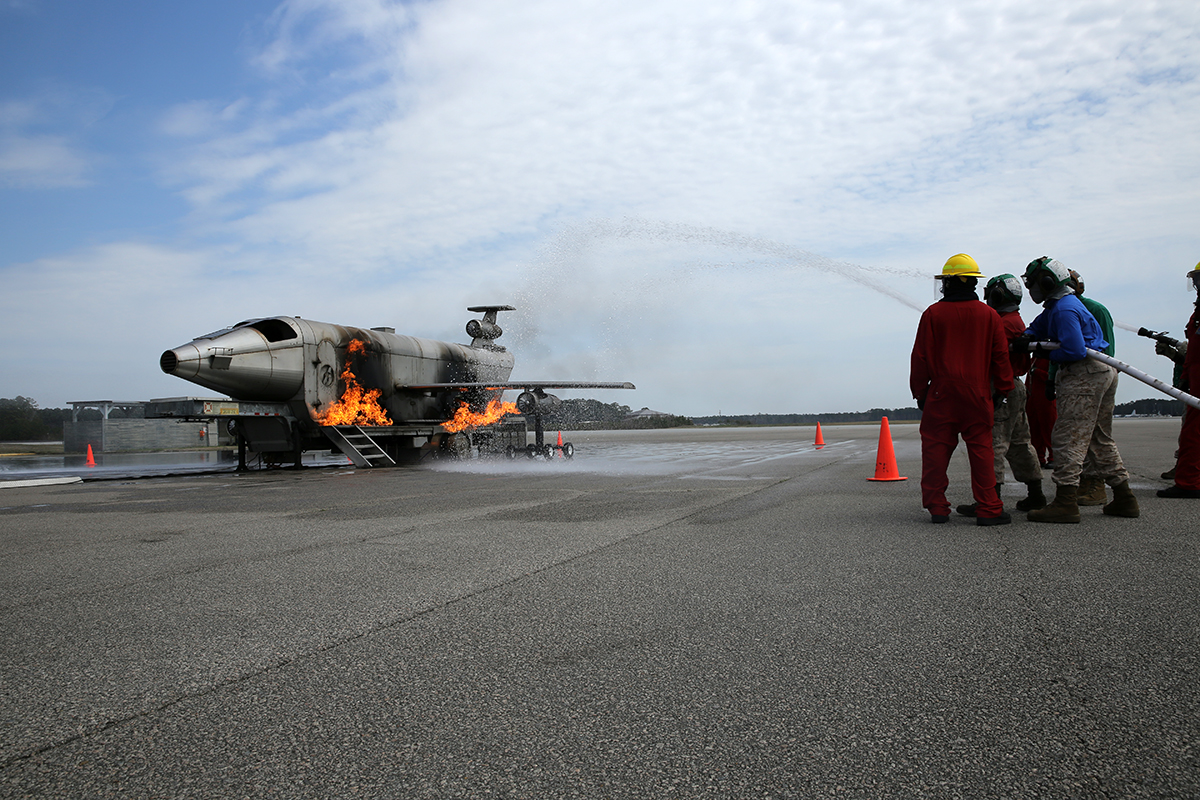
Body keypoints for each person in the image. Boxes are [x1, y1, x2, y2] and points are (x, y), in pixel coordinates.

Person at [1019, 257, 1139, 522]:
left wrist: (1038, 349)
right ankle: (1124, 497)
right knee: (1099, 438)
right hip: (1101, 371)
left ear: (1048, 283)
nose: (1031, 288)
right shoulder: (1059, 306)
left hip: (1084, 373)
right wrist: (1026, 337)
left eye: (1034, 282)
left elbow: (1073, 349)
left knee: (1068, 437)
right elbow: (1037, 326)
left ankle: (1065, 502)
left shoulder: (1063, 310)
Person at [910, 254, 1013, 526]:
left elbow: (920, 357)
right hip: (978, 394)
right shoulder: (990, 316)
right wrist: (1002, 389)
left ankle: (937, 508)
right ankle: (989, 509)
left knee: (935, 451)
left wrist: (920, 393)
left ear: (947, 283)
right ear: (974, 283)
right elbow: (1000, 356)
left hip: (941, 394)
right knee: (981, 451)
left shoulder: (932, 314)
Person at [955, 274, 1045, 516]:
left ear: (996, 296)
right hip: (1015, 387)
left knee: (992, 443)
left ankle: (990, 499)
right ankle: (1035, 493)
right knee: (1019, 443)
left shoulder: (1002, 323)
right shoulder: (1013, 320)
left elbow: (988, 355)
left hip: (1001, 387)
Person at [1065, 270, 1117, 507]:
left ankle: (1096, 485)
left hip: (1092, 378)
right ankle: (1084, 481)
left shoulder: (1095, 310)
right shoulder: (1060, 310)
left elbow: (1107, 353)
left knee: (1096, 434)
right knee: (1076, 435)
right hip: (1073, 380)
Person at [1158, 263, 1200, 498]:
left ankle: (1189, 483)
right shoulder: (1198, 312)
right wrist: (1185, 375)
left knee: (1194, 432)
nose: (1196, 285)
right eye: (1196, 280)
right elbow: (1194, 351)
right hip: (1194, 376)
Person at [1025, 352, 1057, 467]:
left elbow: (1053, 376)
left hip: (1045, 398)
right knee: (1034, 430)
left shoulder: (1050, 358)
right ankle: (1039, 457)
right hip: (1033, 398)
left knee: (1049, 428)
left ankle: (1054, 457)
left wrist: (1037, 372)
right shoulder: (1034, 359)